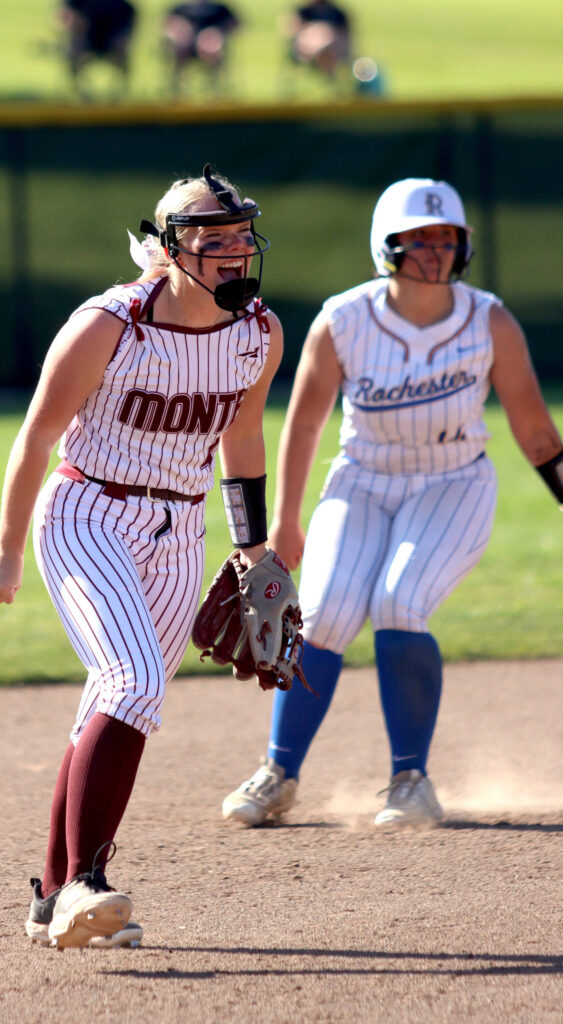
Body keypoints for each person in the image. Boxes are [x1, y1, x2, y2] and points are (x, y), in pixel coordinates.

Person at [0, 164, 281, 947]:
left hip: (181, 528)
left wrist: (252, 547)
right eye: (214, 239)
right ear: (171, 248)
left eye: (241, 235)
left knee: (119, 704)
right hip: (88, 512)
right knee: (131, 679)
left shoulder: (258, 333)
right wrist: (8, 548)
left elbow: (241, 441)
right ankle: (86, 884)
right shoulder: (110, 323)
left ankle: (50, 899)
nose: (235, 251)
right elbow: (38, 438)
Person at [222, 177, 563, 829]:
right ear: (386, 246)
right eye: (417, 239)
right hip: (361, 481)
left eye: (446, 238)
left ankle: (411, 781)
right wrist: (287, 520)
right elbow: (302, 424)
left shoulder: (487, 319)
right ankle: (278, 773)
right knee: (323, 613)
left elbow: (537, 432)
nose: (433, 251)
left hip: (452, 482)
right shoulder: (344, 319)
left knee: (398, 602)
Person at [59, 0, 136, 96]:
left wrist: (123, 38)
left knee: (121, 51)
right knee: (74, 50)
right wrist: (74, 25)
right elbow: (65, 14)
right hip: (87, 39)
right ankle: (75, 92)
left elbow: (129, 14)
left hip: (111, 38)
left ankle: (123, 93)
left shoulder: (119, 5)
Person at [162, 2, 240, 95]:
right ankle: (176, 90)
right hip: (187, 45)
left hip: (210, 46)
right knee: (179, 48)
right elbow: (166, 24)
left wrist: (217, 33)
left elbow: (235, 23)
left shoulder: (218, 8)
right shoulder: (181, 8)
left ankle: (214, 89)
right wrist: (179, 31)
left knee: (212, 45)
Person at [283, 1, 352, 83]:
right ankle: (328, 72)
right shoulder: (304, 12)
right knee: (318, 34)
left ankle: (324, 54)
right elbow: (292, 33)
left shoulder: (337, 14)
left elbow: (346, 37)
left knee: (327, 37)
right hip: (308, 50)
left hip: (334, 50)